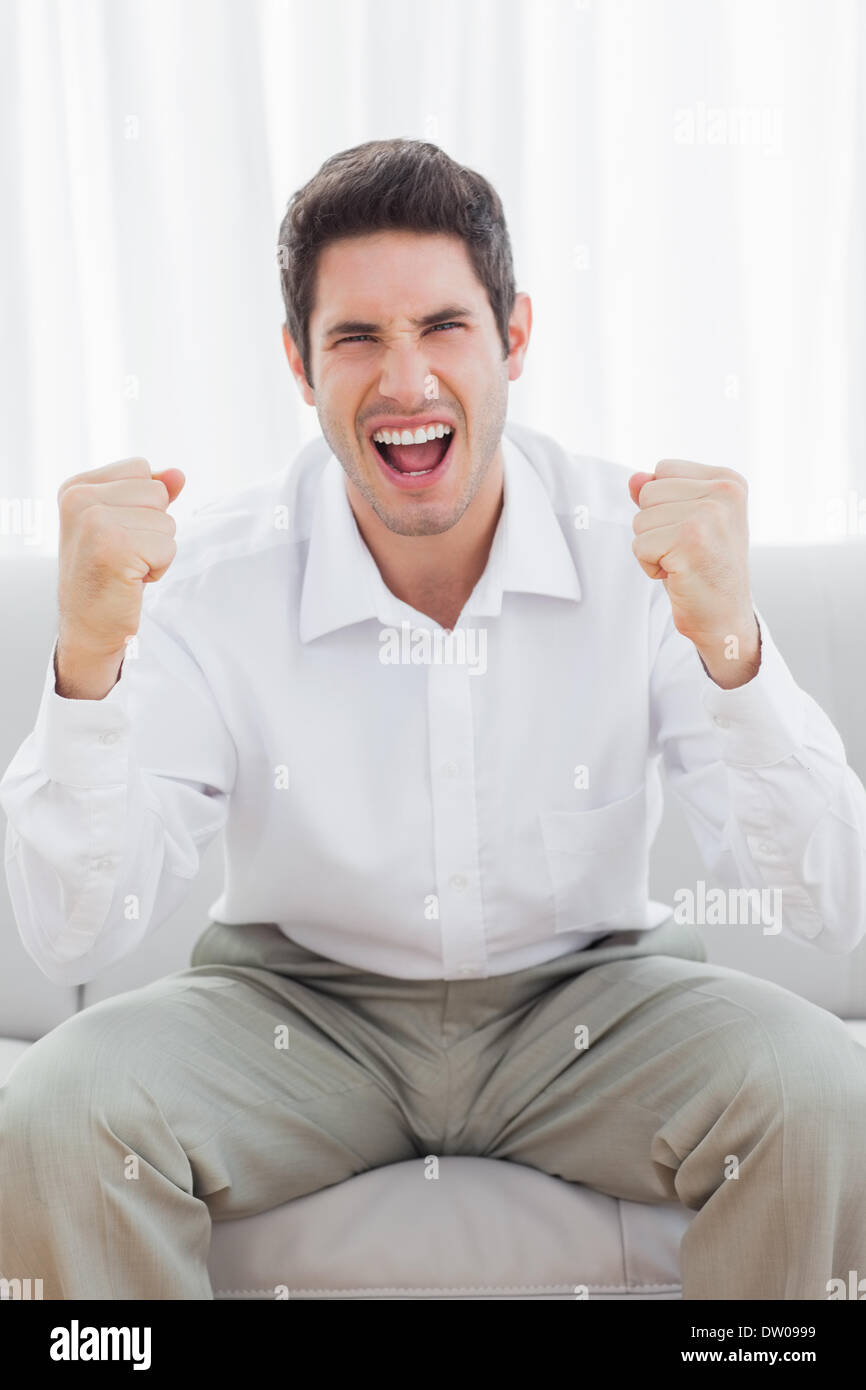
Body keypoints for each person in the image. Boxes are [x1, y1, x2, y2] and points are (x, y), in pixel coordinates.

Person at [1, 138, 865, 1301]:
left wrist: (732, 648)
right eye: (356, 338)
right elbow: (66, 938)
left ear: (512, 336)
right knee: (57, 1109)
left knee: (816, 1089)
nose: (404, 382)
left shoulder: (644, 555)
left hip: (587, 1006)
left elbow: (831, 901)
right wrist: (88, 666)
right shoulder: (209, 585)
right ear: (300, 369)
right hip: (297, 1010)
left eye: (442, 328)